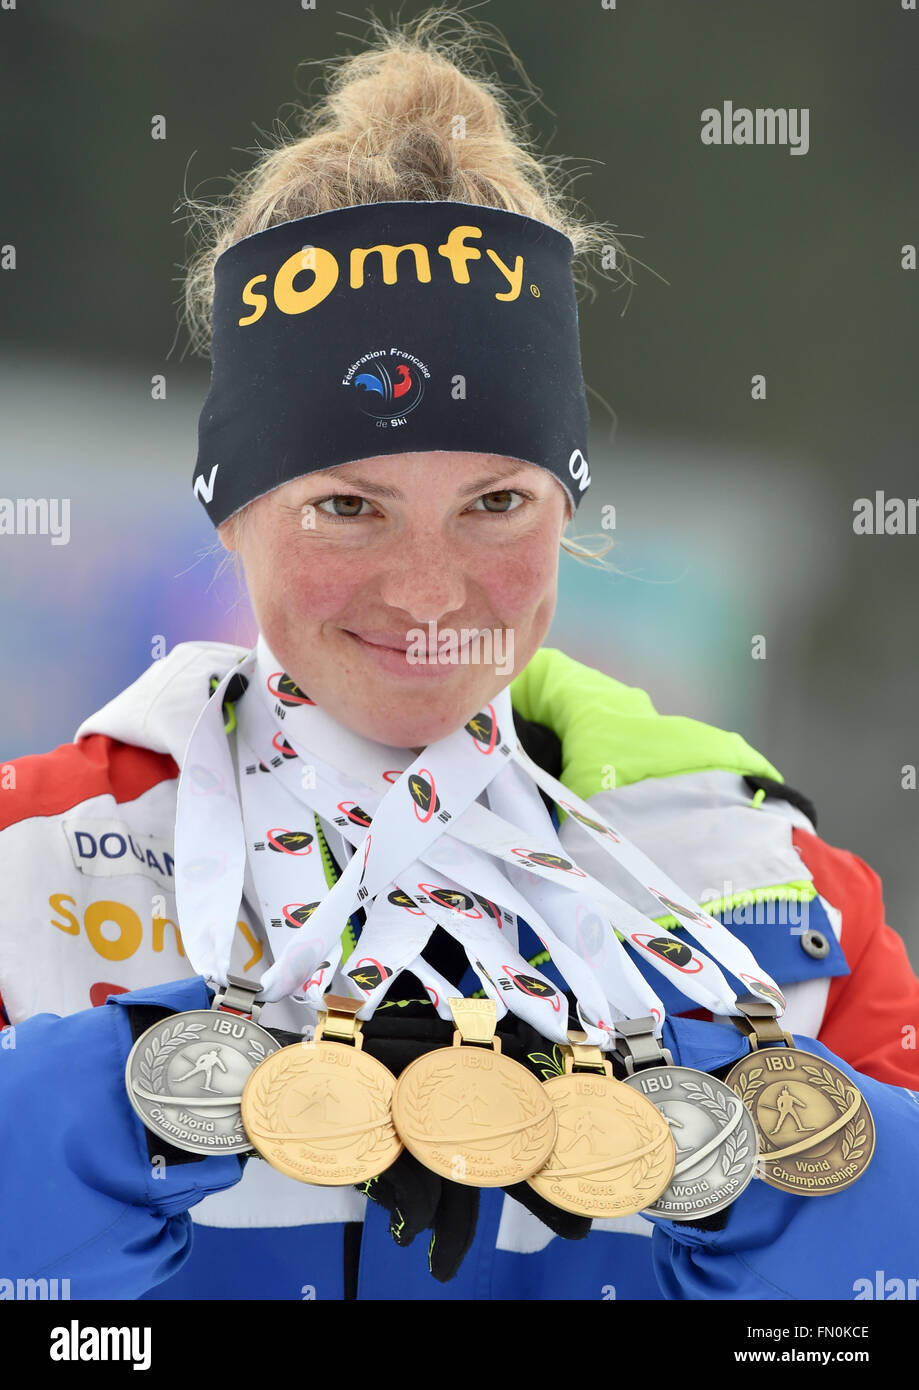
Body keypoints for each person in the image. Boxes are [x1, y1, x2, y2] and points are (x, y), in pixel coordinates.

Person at [2, 10, 918, 1304]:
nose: (428, 590)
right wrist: (120, 1103)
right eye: (347, 506)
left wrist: (721, 1139)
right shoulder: (33, 863)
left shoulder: (771, 900)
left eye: (496, 502)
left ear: (568, 509)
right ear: (233, 512)